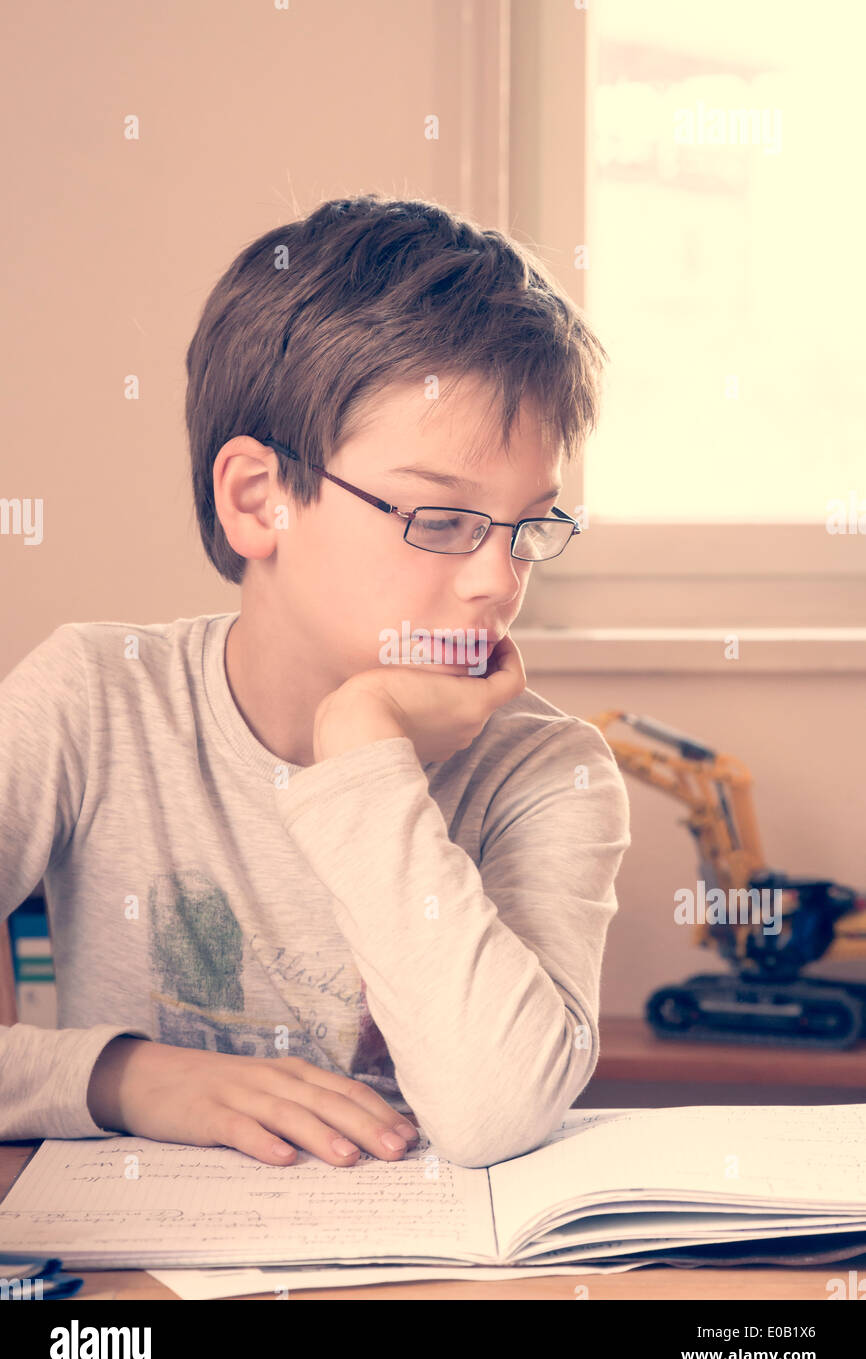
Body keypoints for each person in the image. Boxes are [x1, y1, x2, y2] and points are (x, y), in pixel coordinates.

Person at [0, 194, 630, 1170]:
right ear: (260, 500)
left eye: (526, 528)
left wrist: (361, 744)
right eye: (441, 518)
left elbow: (494, 1112)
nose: (499, 579)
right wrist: (125, 1077)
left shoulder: (549, 772)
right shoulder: (94, 701)